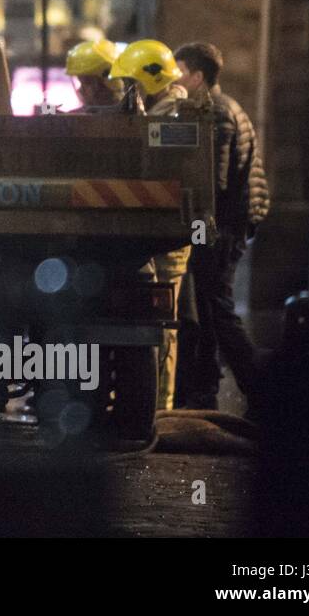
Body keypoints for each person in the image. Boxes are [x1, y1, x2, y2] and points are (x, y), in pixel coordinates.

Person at [172, 42, 270, 411]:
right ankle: (205, 390)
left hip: (223, 224)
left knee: (217, 306)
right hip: (229, 221)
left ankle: (260, 388)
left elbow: (214, 181)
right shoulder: (222, 107)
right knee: (210, 307)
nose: (175, 79)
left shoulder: (214, 113)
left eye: (180, 70)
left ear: (197, 76)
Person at [109, 39, 193, 410]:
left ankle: (161, 407)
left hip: (166, 234)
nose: (128, 89)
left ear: (150, 78)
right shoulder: (161, 108)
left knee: (162, 330)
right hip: (156, 229)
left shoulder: (173, 113)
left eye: (132, 81)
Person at [64, 38, 124, 111]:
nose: (81, 90)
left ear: (108, 83)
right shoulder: (79, 115)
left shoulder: (127, 118)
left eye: (86, 82)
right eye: (80, 82)